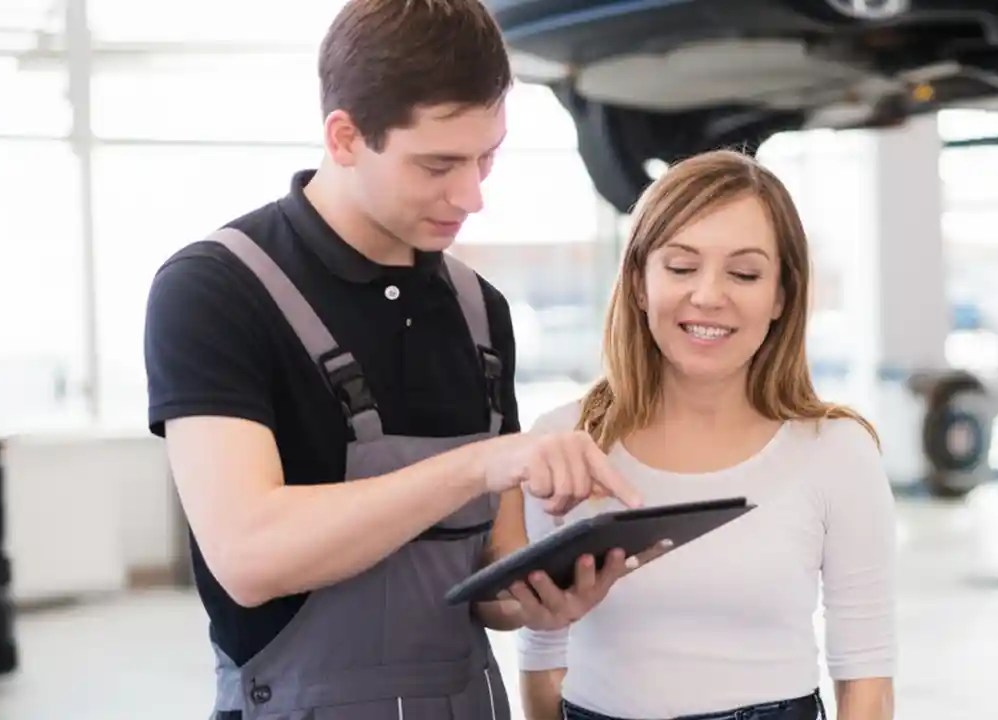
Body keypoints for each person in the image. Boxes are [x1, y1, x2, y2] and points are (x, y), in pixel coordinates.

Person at [142, 2, 653, 718]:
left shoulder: (481, 313)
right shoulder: (215, 290)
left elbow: (490, 572)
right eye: (438, 164)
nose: (472, 195)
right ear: (345, 136)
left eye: (487, 157)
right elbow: (249, 555)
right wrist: (481, 463)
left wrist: (543, 595)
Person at [516, 150, 898, 720]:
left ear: (780, 297)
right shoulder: (568, 443)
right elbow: (542, 651)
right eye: (681, 267)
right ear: (640, 284)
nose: (709, 295)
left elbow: (866, 676)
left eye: (744, 273)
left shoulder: (836, 451)